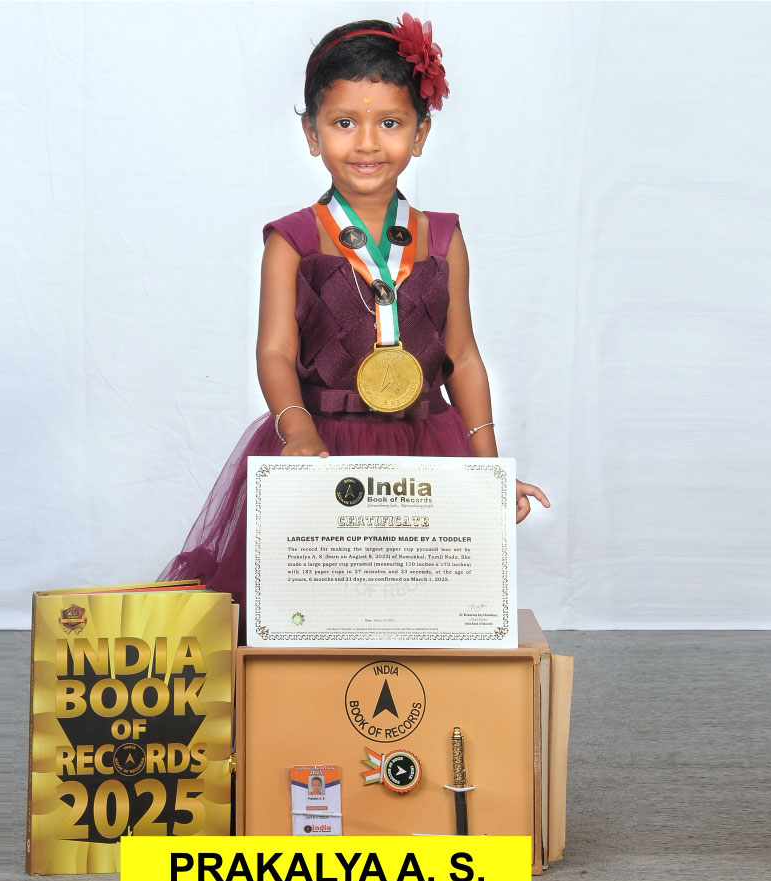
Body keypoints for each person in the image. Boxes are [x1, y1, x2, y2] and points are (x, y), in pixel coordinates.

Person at [159, 14, 549, 610]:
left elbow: (462, 356)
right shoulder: (291, 240)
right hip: (322, 443)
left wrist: (488, 473)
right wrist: (298, 429)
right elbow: (275, 351)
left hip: (426, 446)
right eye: (344, 123)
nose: (367, 143)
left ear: (420, 135)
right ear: (312, 134)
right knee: (317, 611)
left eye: (390, 123)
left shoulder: (443, 237)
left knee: (420, 609)